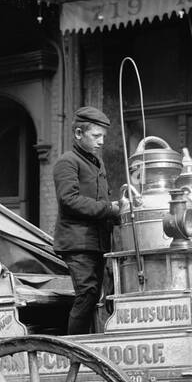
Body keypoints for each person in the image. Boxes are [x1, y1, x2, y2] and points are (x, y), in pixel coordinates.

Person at [53, 105, 125, 336]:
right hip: (78, 243)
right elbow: (69, 201)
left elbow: (100, 201)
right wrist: (110, 209)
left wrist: (119, 213)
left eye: (103, 136)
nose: (101, 141)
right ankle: (75, 349)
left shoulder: (96, 163)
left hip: (97, 242)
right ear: (78, 134)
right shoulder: (68, 162)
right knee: (88, 294)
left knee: (99, 295)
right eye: (96, 136)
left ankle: (91, 343)